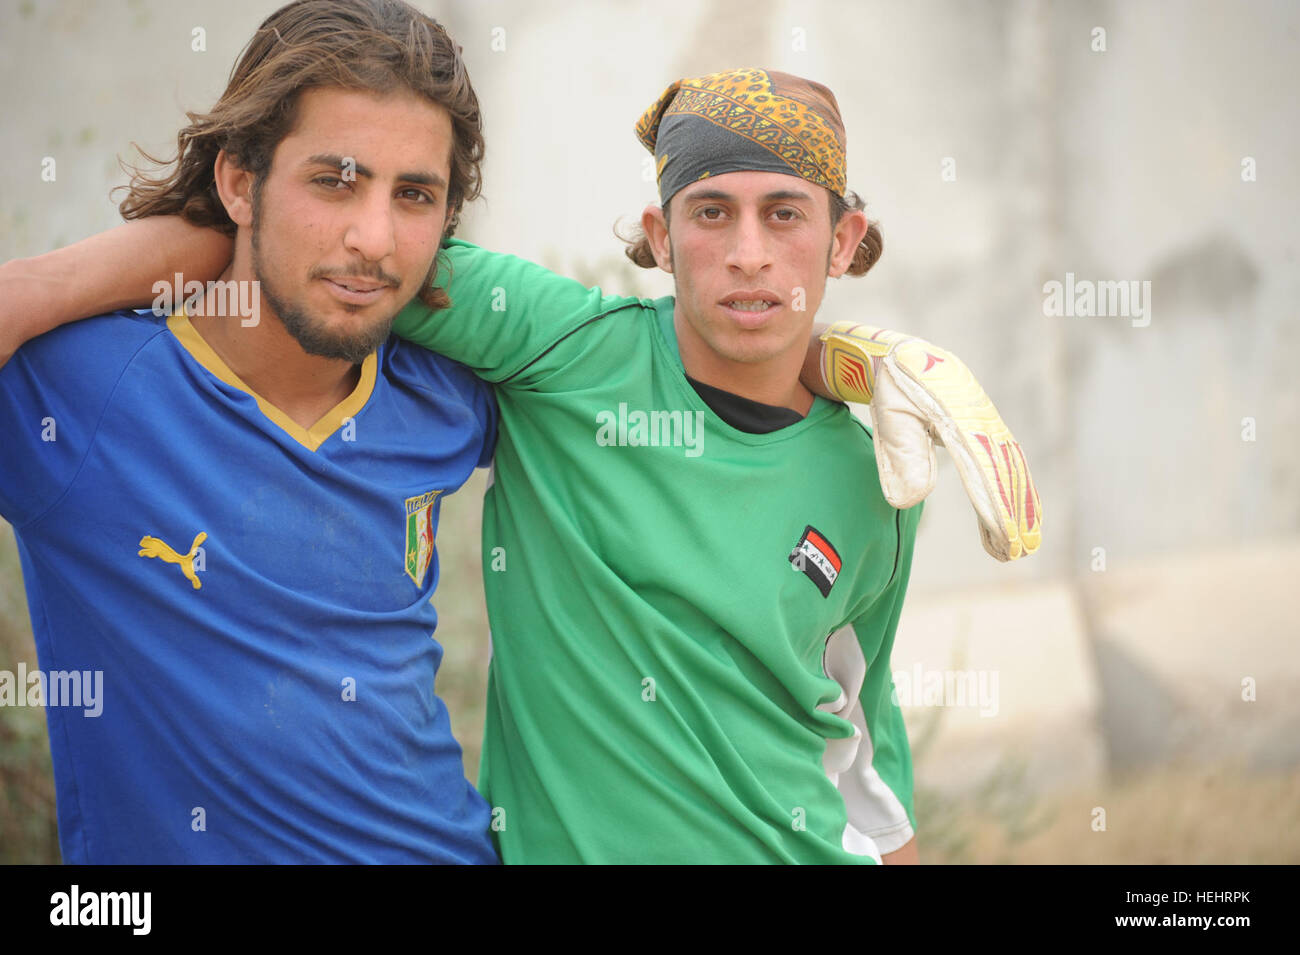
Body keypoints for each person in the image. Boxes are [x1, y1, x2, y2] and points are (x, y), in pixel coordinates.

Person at [2, 50, 1039, 860]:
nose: (750, 252)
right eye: (711, 212)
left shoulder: (880, 471)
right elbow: (329, 253)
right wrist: (42, 289)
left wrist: (845, 365)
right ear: (659, 233)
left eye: (786, 216)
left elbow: (864, 728)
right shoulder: (558, 352)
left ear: (846, 238)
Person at [0, 0, 503, 863]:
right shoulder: (74, 390)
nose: (373, 239)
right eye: (334, 180)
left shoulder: (450, 399)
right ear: (239, 182)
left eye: (414, 195)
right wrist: (40, 288)